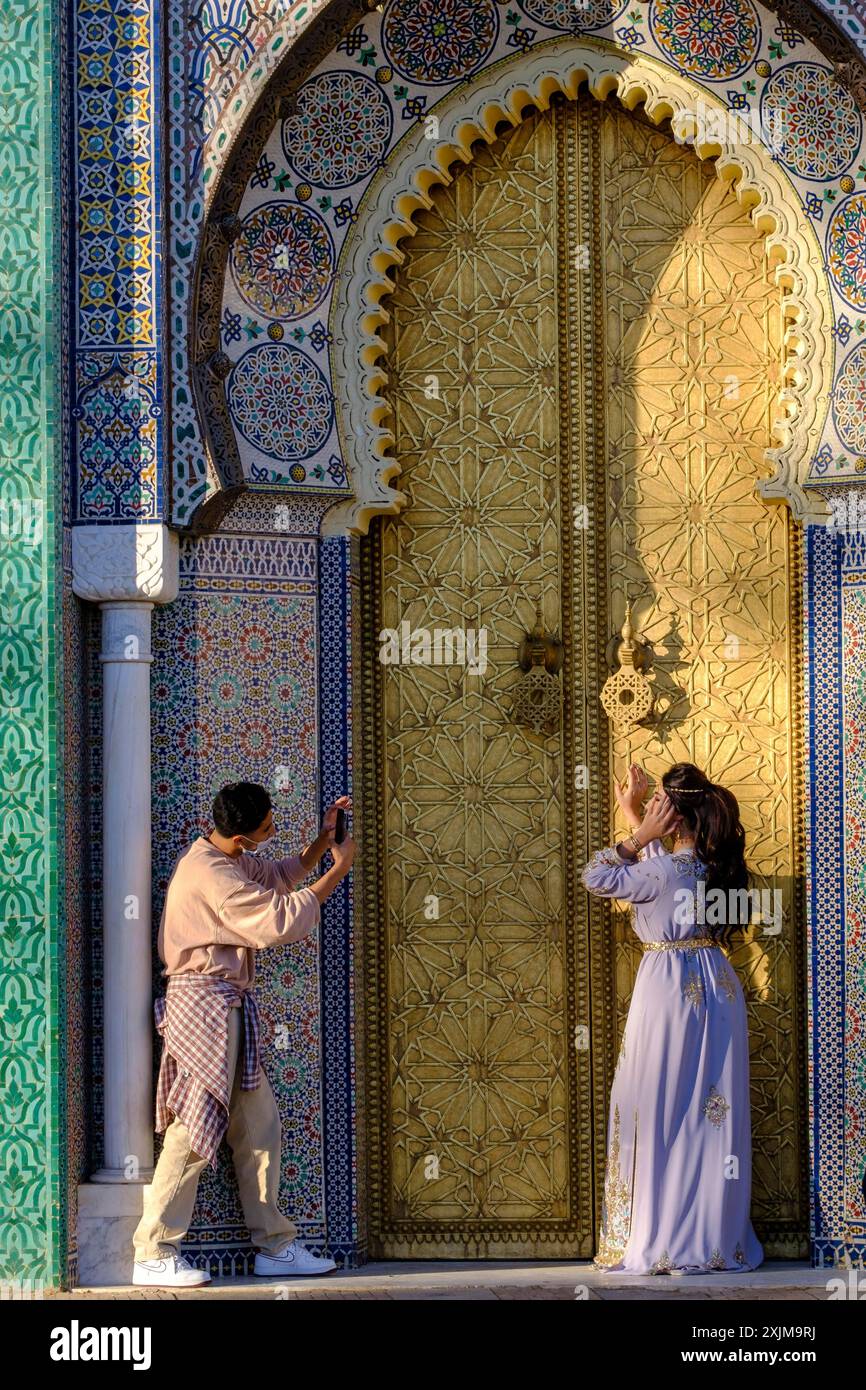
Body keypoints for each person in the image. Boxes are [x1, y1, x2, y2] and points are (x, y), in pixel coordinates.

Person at [131, 782, 355, 1287]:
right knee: (193, 1128)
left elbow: (278, 877)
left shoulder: (224, 857)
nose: (272, 830)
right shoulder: (212, 874)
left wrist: (321, 844)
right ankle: (152, 1249)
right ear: (243, 836)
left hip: (226, 1004)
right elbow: (276, 920)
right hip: (204, 1005)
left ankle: (273, 1247)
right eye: (267, 826)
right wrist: (339, 870)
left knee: (259, 1127)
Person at [580, 761, 763, 1275]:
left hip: (668, 992)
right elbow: (664, 874)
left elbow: (595, 876)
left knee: (659, 1108)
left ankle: (660, 1235)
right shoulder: (707, 863)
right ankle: (709, 1236)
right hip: (715, 986)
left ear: (674, 818)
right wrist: (632, 810)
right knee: (706, 1111)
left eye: (661, 801)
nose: (653, 807)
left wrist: (636, 833)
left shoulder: (658, 867)